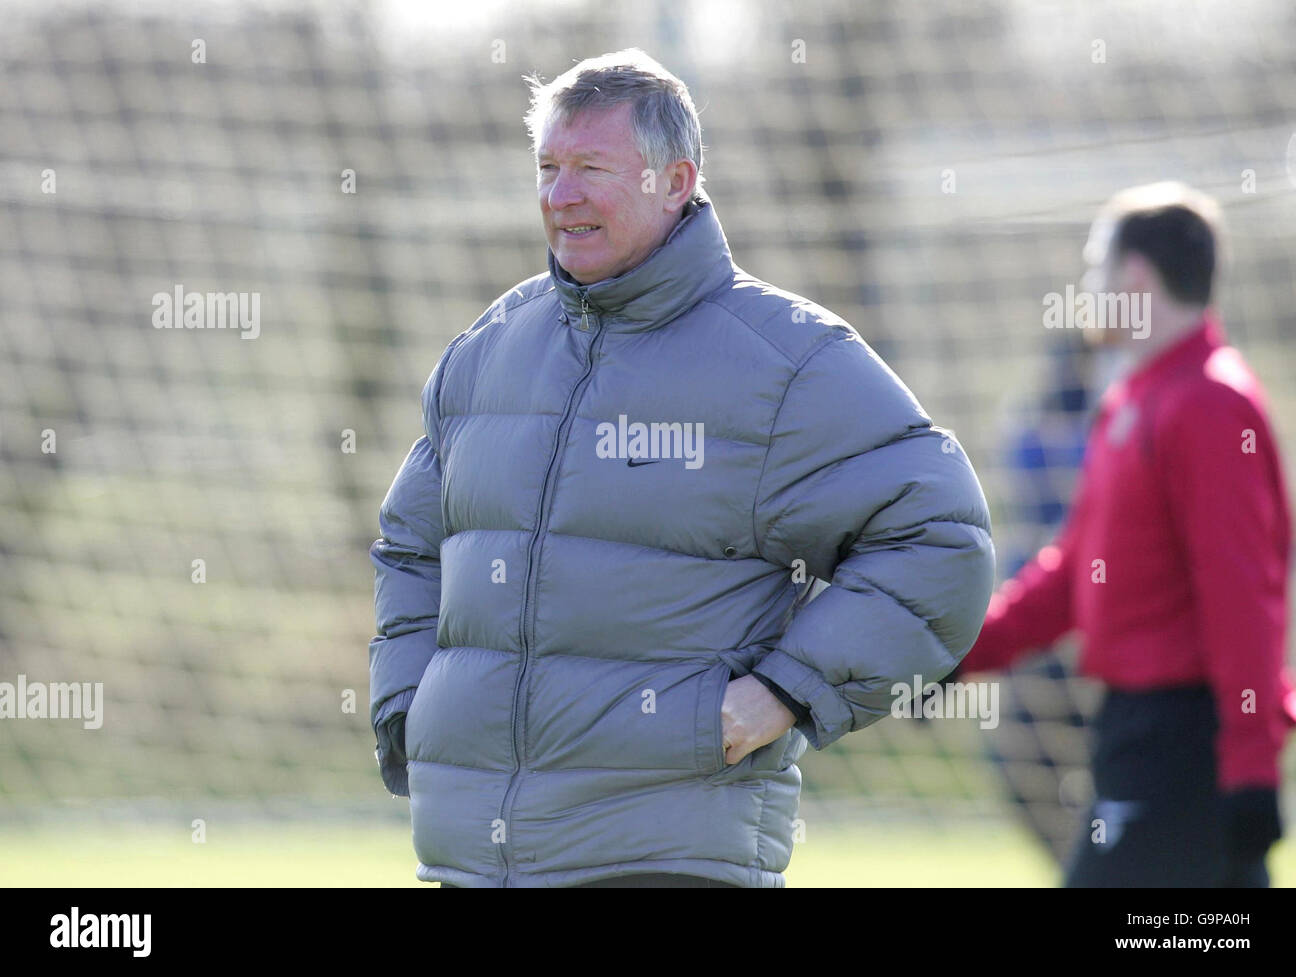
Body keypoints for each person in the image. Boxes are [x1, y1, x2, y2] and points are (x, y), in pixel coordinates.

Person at [367, 48, 995, 888]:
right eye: (548, 167)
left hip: (669, 858)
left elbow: (941, 537)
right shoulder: (489, 349)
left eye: (592, 167)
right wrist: (412, 709)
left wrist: (788, 691)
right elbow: (412, 546)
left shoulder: (789, 363)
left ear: (677, 178)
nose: (561, 195)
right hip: (472, 863)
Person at [956, 182, 1296, 887]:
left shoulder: (1209, 402)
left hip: (1181, 745)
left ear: (1135, 277)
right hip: (1133, 734)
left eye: (1095, 268)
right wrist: (963, 651)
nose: (1086, 288)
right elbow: (1074, 573)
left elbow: (1243, 600)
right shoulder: (1133, 398)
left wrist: (1250, 766)